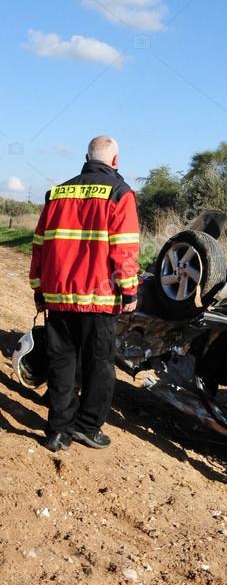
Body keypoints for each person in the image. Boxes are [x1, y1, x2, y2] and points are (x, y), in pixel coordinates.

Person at [29, 136, 140, 452]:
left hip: (58, 296)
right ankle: (88, 427)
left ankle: (58, 432)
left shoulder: (56, 193)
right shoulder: (120, 193)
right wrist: (129, 290)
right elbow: (125, 250)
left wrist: (39, 289)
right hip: (99, 299)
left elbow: (40, 247)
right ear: (115, 160)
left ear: (85, 157)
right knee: (99, 364)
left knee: (62, 362)